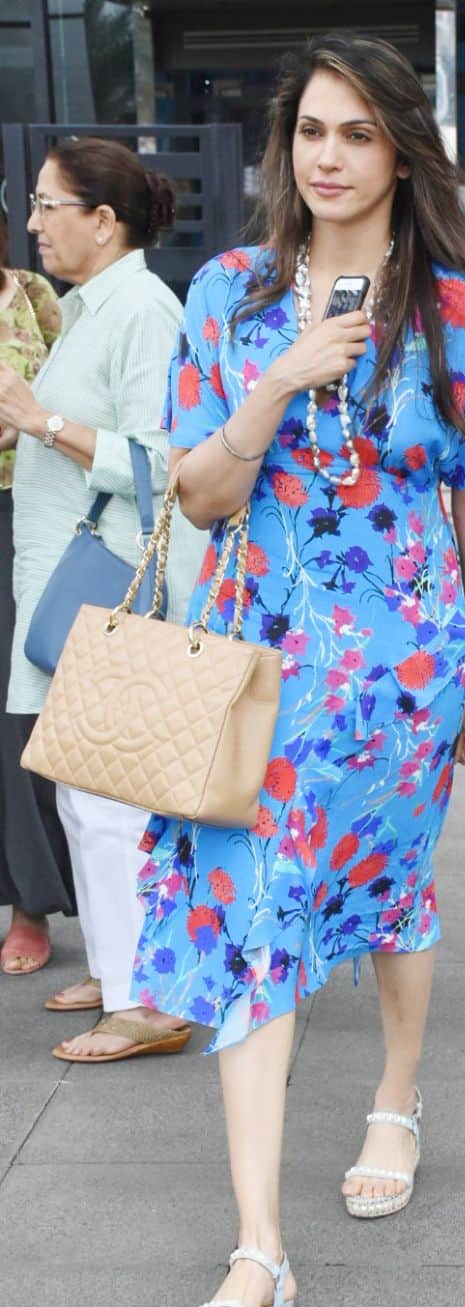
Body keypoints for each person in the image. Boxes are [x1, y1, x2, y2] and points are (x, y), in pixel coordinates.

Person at [129, 32, 465, 1307]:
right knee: (255, 920)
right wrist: (271, 385)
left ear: (401, 149)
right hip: (251, 660)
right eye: (311, 129)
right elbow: (197, 496)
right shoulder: (230, 294)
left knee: (391, 893)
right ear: (284, 147)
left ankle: (396, 1095)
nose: (328, 154)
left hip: (400, 673)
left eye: (357, 132)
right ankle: (260, 1254)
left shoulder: (463, 312)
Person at [3, 137, 206, 1055]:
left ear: (104, 220)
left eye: (50, 204)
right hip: (79, 584)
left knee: (109, 795)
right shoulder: (92, 307)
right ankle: (120, 968)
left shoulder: (143, 312)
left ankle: (146, 999)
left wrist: (37, 418)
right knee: (87, 787)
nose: (34, 221)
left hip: (115, 584)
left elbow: (167, 459)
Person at [0, 216, 71, 975]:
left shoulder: (33, 297)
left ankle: (30, 903)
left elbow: (59, 403)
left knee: (16, 714)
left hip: (16, 519)